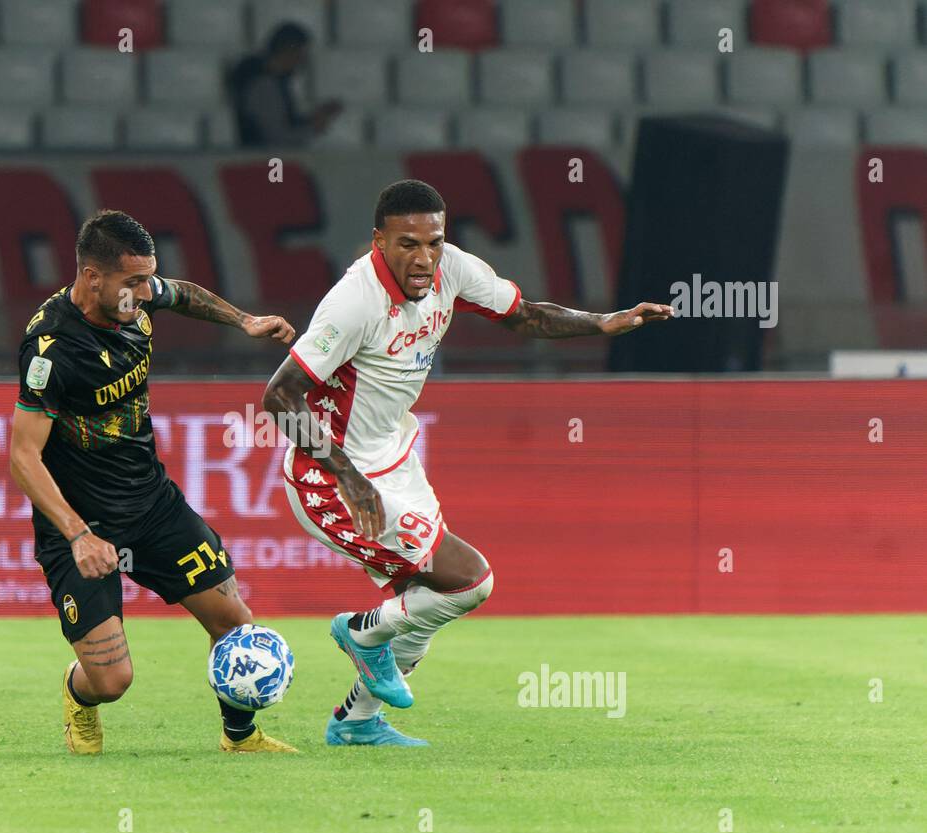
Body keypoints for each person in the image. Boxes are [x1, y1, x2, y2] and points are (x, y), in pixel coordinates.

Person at [262, 180, 674, 747]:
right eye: (408, 243)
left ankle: (356, 723)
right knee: (469, 581)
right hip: (330, 476)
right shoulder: (353, 302)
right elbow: (278, 397)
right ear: (378, 241)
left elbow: (524, 315)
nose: (424, 257)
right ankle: (360, 634)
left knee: (428, 603)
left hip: (395, 458)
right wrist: (350, 479)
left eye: (433, 241)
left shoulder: (451, 269)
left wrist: (602, 322)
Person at [9, 210, 296, 756]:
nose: (145, 293)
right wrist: (77, 535)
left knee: (234, 622)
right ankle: (78, 697)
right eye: (133, 282)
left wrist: (244, 321)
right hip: (82, 524)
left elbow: (182, 293)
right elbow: (22, 457)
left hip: (151, 504)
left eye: (148, 279)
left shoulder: (134, 296)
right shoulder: (51, 349)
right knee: (112, 681)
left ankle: (240, 736)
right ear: (93, 277)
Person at [229, 22, 343, 147]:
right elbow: (277, 138)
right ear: (288, 51)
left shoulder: (275, 83)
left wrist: (311, 120)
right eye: (300, 55)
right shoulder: (264, 86)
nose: (302, 62)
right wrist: (312, 128)